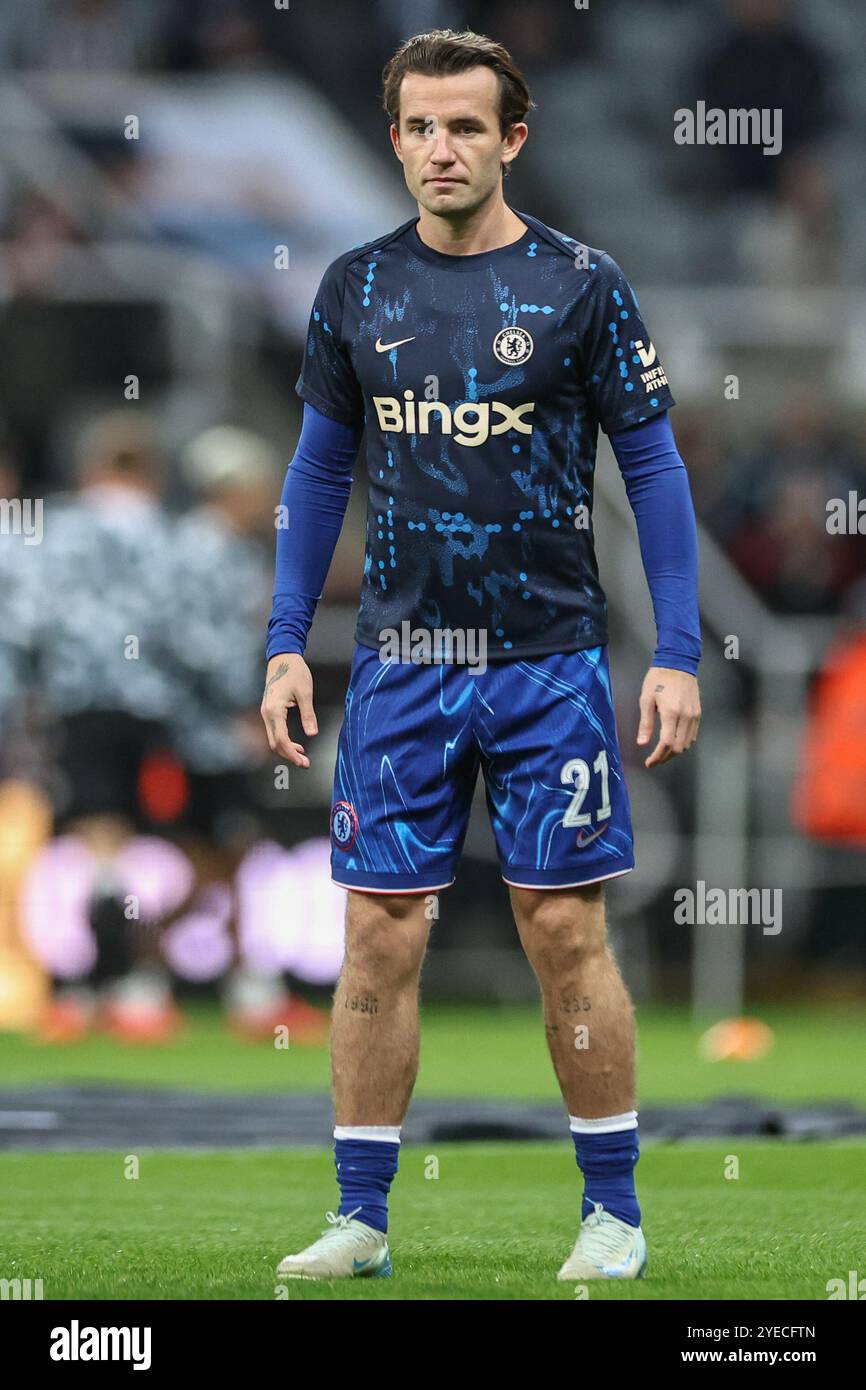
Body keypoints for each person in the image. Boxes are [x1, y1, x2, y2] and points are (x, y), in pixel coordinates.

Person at [261, 28, 701, 1282]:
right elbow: (317, 470)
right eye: (416, 126)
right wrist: (288, 642)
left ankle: (610, 1214)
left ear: (511, 140)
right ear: (393, 135)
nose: (437, 148)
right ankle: (359, 1217)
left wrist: (673, 648)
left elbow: (654, 468)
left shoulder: (579, 283)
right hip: (399, 664)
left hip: (547, 661)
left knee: (562, 928)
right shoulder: (354, 287)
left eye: (464, 126)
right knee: (378, 933)